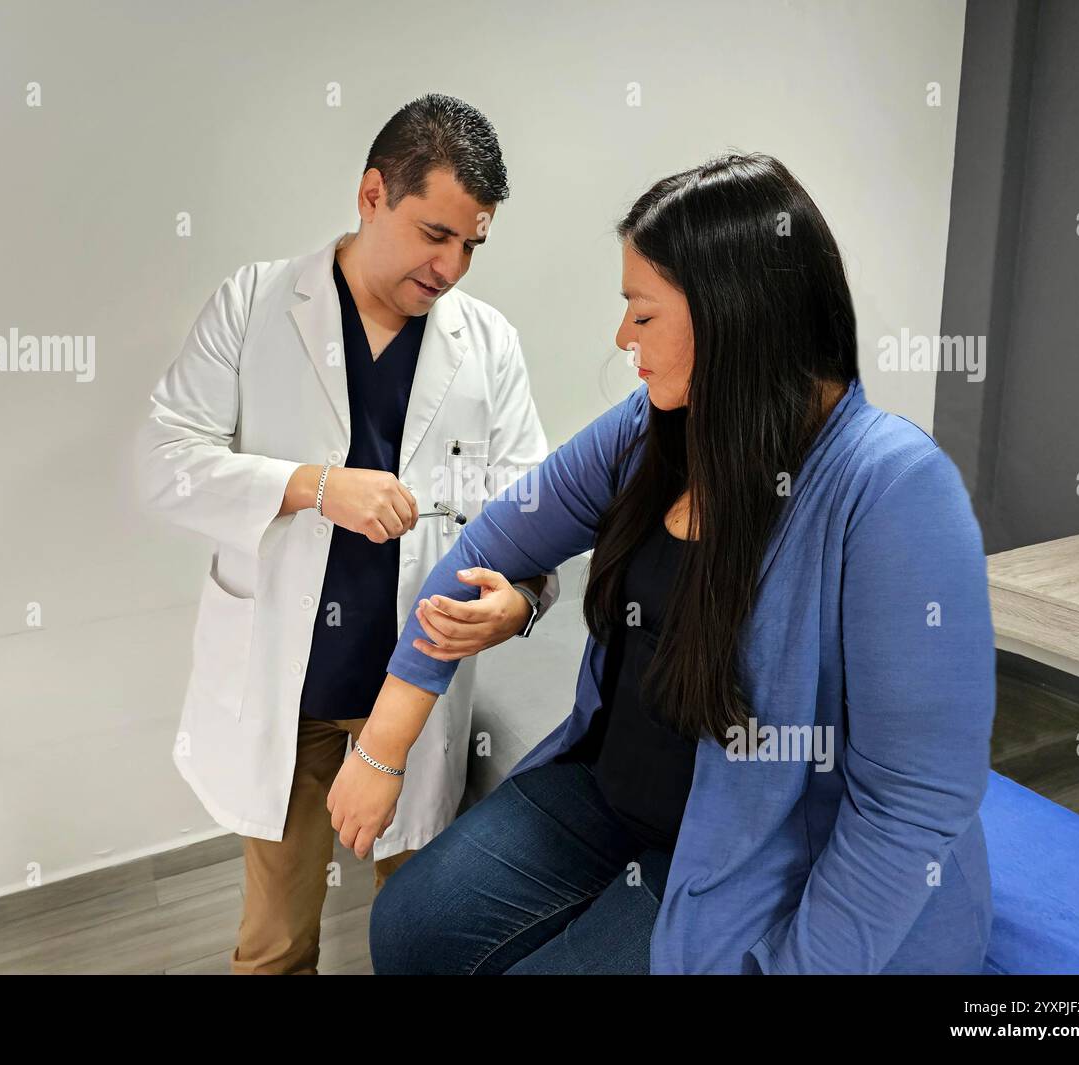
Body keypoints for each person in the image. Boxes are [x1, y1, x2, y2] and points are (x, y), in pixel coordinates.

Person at [329, 152, 997, 974]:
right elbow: (485, 547)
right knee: (407, 926)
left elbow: (911, 807)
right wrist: (381, 748)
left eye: (641, 315)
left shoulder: (892, 491)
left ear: (731, 317)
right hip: (617, 801)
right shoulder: (649, 430)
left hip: (763, 854)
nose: (622, 339)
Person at [136, 94, 559, 974]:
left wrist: (521, 600)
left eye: (472, 244)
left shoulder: (488, 344)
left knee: (421, 935)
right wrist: (311, 488)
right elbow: (165, 462)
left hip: (413, 701)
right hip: (288, 700)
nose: (451, 267)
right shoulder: (253, 305)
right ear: (373, 194)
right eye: (434, 233)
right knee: (277, 944)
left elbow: (534, 508)